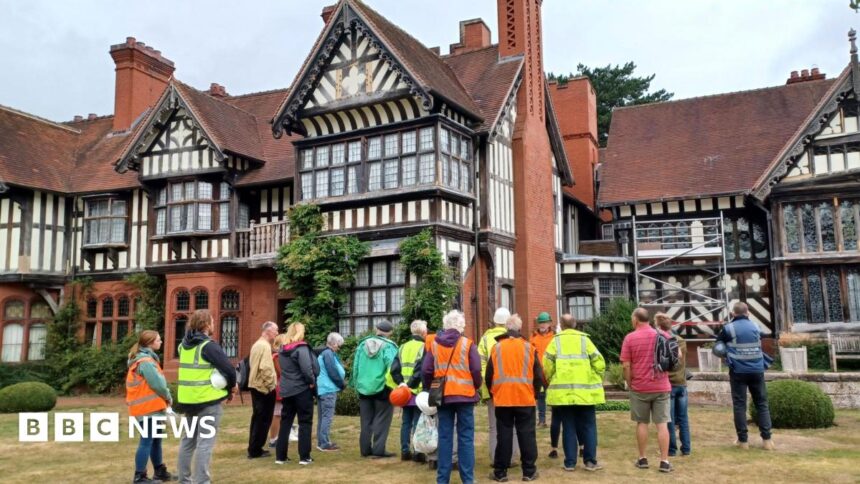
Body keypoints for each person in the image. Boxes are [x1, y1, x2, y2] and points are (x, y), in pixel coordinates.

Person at [177, 309, 237, 484]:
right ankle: (202, 481)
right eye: (212, 321)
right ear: (206, 324)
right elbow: (228, 369)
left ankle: (184, 480)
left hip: (188, 402)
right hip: (207, 403)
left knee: (187, 442)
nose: (213, 325)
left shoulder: (183, 346)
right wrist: (231, 388)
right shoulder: (208, 346)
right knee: (205, 443)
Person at [422, 310, 481, 484]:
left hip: (443, 396)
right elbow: (476, 370)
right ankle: (468, 479)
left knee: (445, 437)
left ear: (446, 325)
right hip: (465, 396)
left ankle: (442, 480)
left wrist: (429, 387)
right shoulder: (468, 344)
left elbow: (426, 370)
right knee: (466, 438)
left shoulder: (434, 344)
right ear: (461, 326)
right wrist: (475, 386)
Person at [543, 313, 606, 472]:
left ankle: (570, 462)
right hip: (585, 393)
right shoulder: (585, 340)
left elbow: (547, 365)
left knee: (568, 426)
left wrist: (552, 378)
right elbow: (599, 363)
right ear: (575, 324)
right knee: (589, 426)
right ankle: (590, 461)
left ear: (562, 326)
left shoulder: (555, 342)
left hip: (564, 394)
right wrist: (595, 376)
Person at [485, 314, 543, 482]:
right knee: (527, 434)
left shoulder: (496, 348)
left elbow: (489, 376)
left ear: (506, 329)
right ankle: (529, 471)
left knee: (503, 435)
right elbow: (538, 375)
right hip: (525, 397)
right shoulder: (529, 347)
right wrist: (535, 394)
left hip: (503, 399)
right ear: (519, 329)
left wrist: (493, 392)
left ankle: (500, 472)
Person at [620, 307, 672, 473]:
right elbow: (673, 358)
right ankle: (664, 461)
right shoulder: (663, 335)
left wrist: (630, 382)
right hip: (661, 385)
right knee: (662, 424)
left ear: (635, 319)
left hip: (640, 387)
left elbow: (626, 365)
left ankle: (642, 459)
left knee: (642, 423)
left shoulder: (630, 338)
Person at [716, 302, 774, 451]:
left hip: (738, 371)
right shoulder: (756, 326)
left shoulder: (728, 328)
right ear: (748, 313)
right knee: (762, 404)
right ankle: (767, 440)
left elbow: (718, 347)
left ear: (733, 313)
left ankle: (743, 442)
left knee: (739, 405)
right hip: (757, 370)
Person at [126, 330, 175, 483]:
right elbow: (158, 384)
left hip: (150, 408)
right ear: (149, 343)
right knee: (147, 440)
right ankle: (139, 476)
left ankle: (159, 471)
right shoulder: (146, 362)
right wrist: (168, 396)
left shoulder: (146, 360)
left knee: (155, 440)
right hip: (147, 409)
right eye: (158, 340)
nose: (161, 342)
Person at [351, 319, 399, 458]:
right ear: (389, 332)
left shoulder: (361, 345)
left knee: (365, 421)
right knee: (382, 419)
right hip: (383, 388)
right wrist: (395, 386)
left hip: (363, 388)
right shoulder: (389, 346)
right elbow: (393, 367)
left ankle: (365, 450)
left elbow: (355, 367)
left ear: (377, 329)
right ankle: (378, 450)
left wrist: (356, 385)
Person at [275, 322, 320, 465]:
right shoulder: (301, 348)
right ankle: (304, 456)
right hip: (301, 389)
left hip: (287, 389)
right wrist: (311, 381)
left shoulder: (282, 350)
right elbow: (307, 369)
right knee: (305, 422)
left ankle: (280, 456)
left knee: (285, 422)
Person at [479, 307, 519, 464]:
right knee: (513, 424)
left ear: (494, 321)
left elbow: (480, 363)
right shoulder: (514, 338)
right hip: (513, 387)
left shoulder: (485, 339)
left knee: (494, 426)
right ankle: (514, 457)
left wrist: (486, 383)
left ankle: (496, 458)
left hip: (493, 388)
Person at [389, 319, 428, 462]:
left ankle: (405, 451)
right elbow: (420, 371)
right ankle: (418, 452)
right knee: (418, 422)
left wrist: (402, 384)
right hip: (417, 392)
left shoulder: (402, 347)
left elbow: (394, 369)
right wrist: (410, 385)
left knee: (406, 422)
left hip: (404, 393)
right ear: (423, 332)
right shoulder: (424, 347)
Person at [655, 313, 691, 456]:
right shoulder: (681, 340)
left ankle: (671, 449)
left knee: (669, 419)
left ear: (658, 326)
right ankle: (686, 448)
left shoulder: (661, 341)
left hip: (668, 384)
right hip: (682, 383)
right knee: (683, 419)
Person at [248, 321, 279, 459]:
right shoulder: (264, 346)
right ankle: (255, 450)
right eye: (275, 330)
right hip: (263, 388)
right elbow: (265, 368)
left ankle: (255, 447)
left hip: (256, 386)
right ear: (268, 331)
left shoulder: (257, 344)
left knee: (257, 418)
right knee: (263, 419)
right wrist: (271, 384)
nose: (277, 333)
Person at [316, 332, 346, 452]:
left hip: (322, 389)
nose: (338, 347)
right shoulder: (328, 354)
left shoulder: (324, 353)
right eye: (338, 345)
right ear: (333, 343)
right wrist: (342, 385)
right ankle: (324, 443)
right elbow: (332, 372)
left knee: (322, 417)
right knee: (327, 417)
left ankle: (322, 441)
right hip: (328, 389)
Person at [530, 312, 555, 428]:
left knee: (554, 397)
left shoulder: (554, 338)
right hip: (538, 373)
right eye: (541, 323)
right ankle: (542, 420)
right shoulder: (533, 338)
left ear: (549, 323)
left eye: (545, 322)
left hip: (552, 372)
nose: (543, 325)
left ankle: (556, 420)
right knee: (540, 397)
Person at [268, 333, 288, 449]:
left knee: (279, 414)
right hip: (279, 387)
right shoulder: (276, 356)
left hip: (280, 386)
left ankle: (277, 437)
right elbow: (282, 372)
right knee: (277, 414)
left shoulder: (277, 356)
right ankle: (273, 438)